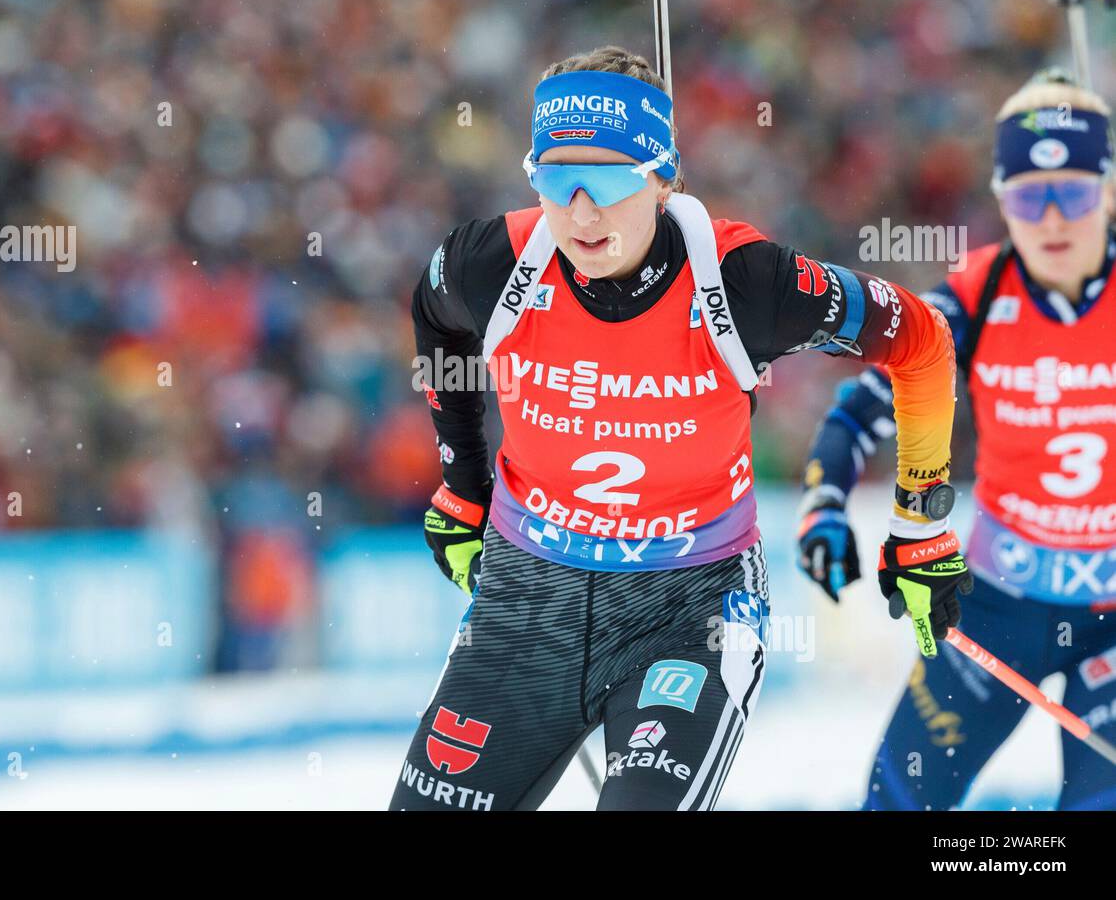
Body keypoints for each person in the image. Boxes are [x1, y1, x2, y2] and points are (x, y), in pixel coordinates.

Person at [393, 45, 968, 811]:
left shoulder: (747, 283)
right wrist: (464, 486)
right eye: (558, 180)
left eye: (611, 179)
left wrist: (921, 519)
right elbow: (434, 314)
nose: (582, 211)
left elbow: (922, 339)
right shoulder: (491, 264)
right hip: (525, 603)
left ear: (663, 178)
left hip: (689, 611)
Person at [796, 69, 1116, 810]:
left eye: (1074, 191)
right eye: (1031, 197)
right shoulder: (974, 298)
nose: (1054, 219)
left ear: (1105, 189)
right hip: (996, 608)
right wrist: (824, 506)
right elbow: (857, 413)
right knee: (897, 797)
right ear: (1004, 200)